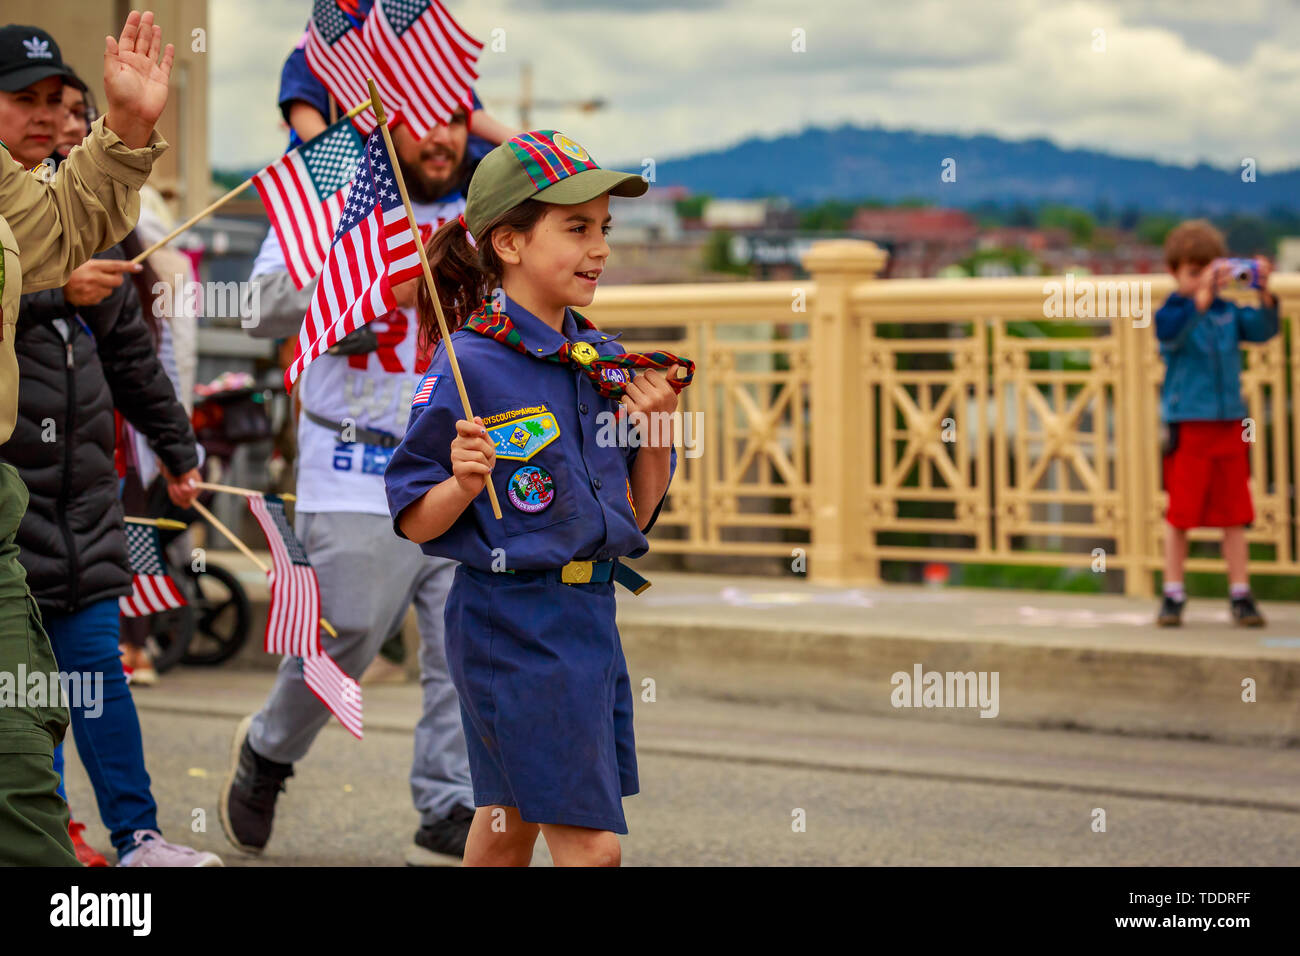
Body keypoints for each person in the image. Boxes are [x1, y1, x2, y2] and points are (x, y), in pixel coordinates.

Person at [220, 46, 514, 865]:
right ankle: (269, 752)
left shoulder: (486, 209)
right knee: (345, 630)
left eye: (456, 118)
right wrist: (355, 287)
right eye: (423, 118)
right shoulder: (334, 192)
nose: (441, 136)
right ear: (387, 122)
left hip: (457, 455)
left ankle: (447, 800)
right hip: (355, 456)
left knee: (466, 639)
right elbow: (257, 307)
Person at [384, 130, 691, 866]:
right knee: (593, 852)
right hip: (510, 623)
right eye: (576, 228)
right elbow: (414, 518)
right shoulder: (470, 363)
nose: (600, 249)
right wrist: (460, 484)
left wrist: (655, 433)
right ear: (510, 243)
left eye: (603, 229)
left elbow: (635, 517)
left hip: (589, 617)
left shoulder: (605, 361)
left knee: (507, 822)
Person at [0, 34, 217, 867]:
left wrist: (177, 449)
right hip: (20, 500)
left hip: (80, 498)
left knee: (87, 685)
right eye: (29, 99)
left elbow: (132, 358)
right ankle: (66, 836)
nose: (51, 117)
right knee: (28, 701)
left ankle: (133, 837)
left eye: (64, 103)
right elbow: (50, 251)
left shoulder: (74, 208)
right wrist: (56, 290)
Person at [1154, 219, 1277, 627]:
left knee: (1234, 514)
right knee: (1181, 514)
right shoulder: (1174, 311)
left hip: (1229, 423)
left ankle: (1240, 592)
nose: (1202, 282)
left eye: (1210, 272)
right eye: (1192, 273)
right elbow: (1169, 335)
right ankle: (1173, 592)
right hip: (1189, 425)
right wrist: (1197, 302)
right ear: (1175, 273)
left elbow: (1262, 330)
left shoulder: (1229, 313)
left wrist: (1264, 292)